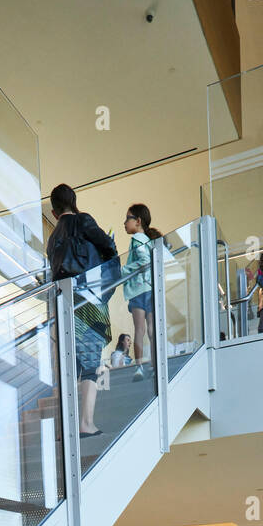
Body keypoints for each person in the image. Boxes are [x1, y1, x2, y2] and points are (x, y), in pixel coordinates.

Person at [47, 183, 117, 437]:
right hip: (89, 300)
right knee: (90, 362)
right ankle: (85, 423)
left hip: (63, 304)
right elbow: (108, 247)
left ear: (54, 212)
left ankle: (64, 426)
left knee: (68, 365)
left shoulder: (53, 238)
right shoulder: (83, 220)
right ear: (74, 203)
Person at [122, 203, 162, 379]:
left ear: (138, 221)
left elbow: (144, 261)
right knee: (152, 330)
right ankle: (155, 364)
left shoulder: (137, 238)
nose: (124, 222)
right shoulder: (149, 240)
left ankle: (139, 367)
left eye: (127, 218)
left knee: (139, 329)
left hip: (138, 289)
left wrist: (123, 271)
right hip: (150, 288)